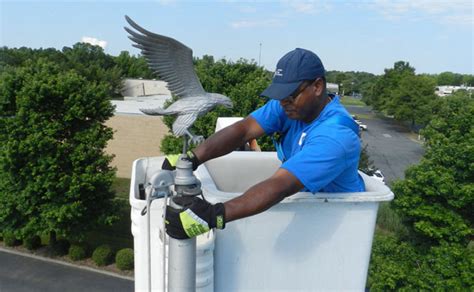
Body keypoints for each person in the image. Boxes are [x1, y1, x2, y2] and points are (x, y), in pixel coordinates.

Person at [164, 48, 365, 239]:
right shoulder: (291, 107)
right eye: (280, 97)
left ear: (318, 87)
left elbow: (281, 185)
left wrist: (213, 215)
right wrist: (192, 158)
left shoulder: (335, 137)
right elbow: (244, 130)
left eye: (290, 95)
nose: (283, 103)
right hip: (309, 211)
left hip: (338, 224)